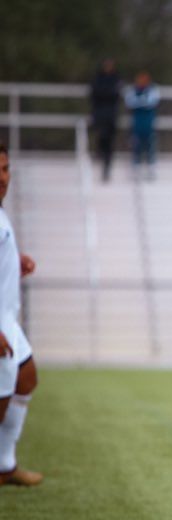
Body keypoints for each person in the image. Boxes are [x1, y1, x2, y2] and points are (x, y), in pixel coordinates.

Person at [0, 143, 42, 487]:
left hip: (7, 320)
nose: (2, 178)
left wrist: (16, 260)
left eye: (5, 168)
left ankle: (5, 465)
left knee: (26, 378)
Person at [123, 71, 160, 181]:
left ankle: (151, 167)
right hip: (137, 123)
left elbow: (152, 102)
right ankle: (136, 167)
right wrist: (142, 102)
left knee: (150, 145)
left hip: (149, 123)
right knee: (136, 145)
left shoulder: (153, 89)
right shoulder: (133, 90)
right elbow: (131, 102)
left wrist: (140, 102)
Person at [89, 58, 120, 182]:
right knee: (100, 138)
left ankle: (107, 167)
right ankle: (100, 159)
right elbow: (94, 94)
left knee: (109, 142)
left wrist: (105, 93)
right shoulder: (98, 78)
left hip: (111, 116)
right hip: (100, 115)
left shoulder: (116, 79)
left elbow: (115, 95)